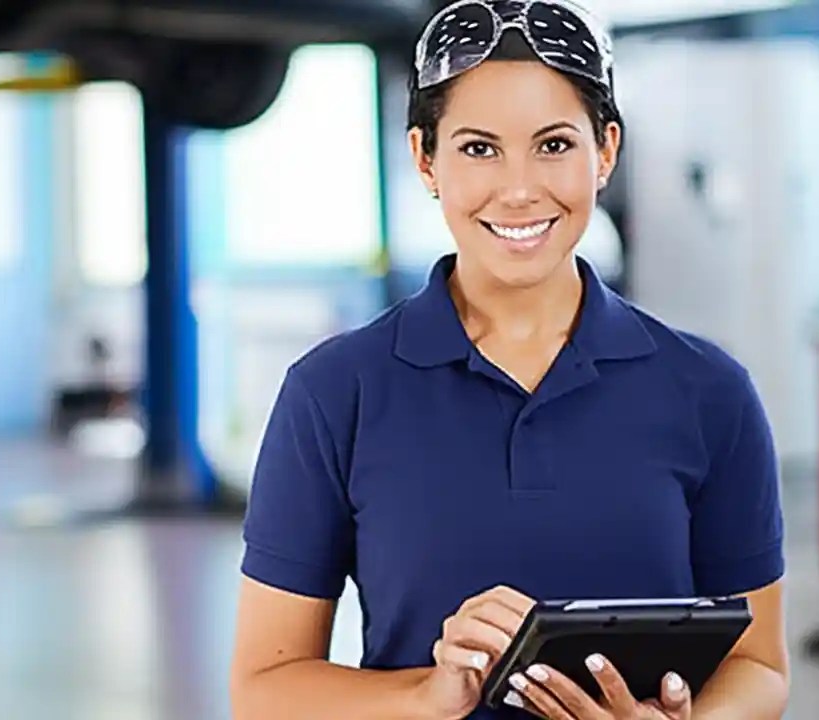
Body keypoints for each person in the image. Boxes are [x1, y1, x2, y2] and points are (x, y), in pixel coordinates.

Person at [228, 1, 789, 718]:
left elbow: (760, 666)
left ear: (605, 152)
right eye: (479, 148)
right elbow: (263, 690)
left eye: (554, 145)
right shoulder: (336, 392)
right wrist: (426, 695)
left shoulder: (710, 392)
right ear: (425, 159)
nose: (520, 189)